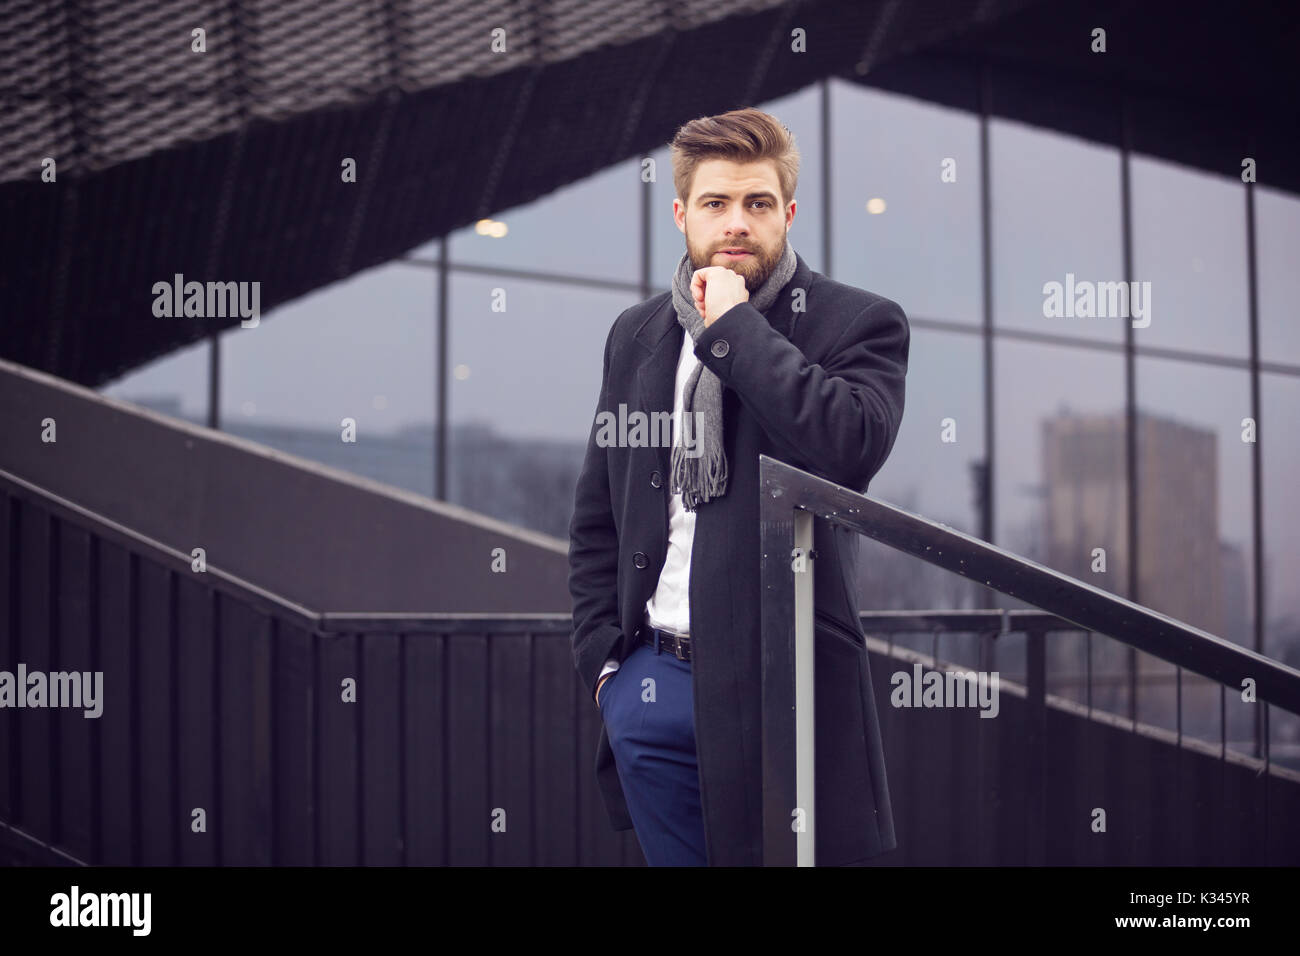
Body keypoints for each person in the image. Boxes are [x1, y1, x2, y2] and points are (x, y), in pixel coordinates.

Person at [567, 106, 909, 866]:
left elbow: (849, 445)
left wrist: (732, 330)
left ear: (786, 214)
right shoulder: (638, 333)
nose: (737, 224)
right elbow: (598, 514)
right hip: (651, 685)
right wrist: (606, 667)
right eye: (716, 204)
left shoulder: (858, 322)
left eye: (757, 204)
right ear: (683, 214)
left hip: (781, 686)